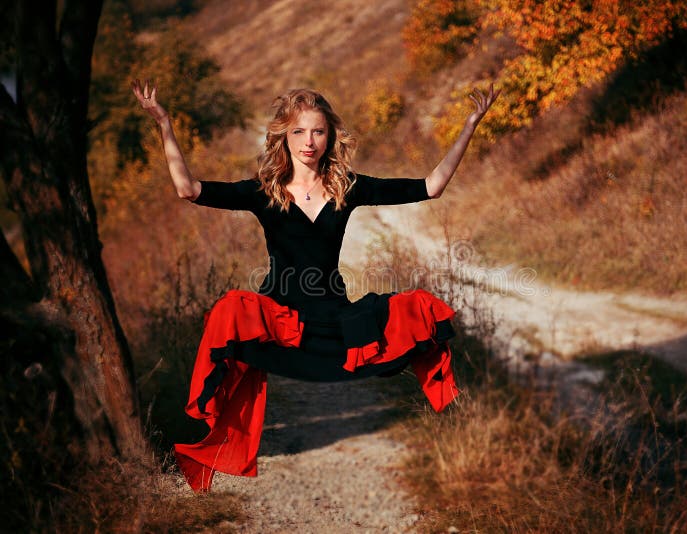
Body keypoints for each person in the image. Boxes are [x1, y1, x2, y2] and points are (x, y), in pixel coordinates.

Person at [132, 79, 499, 492]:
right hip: (279, 320)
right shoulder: (263, 192)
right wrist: (164, 123)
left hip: (333, 319)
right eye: (299, 131)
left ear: (330, 137)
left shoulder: (348, 187)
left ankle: (457, 413)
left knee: (419, 308)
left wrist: (470, 125)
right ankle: (208, 434)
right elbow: (188, 189)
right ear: (283, 136)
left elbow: (431, 187)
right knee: (230, 310)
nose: (309, 142)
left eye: (318, 132)